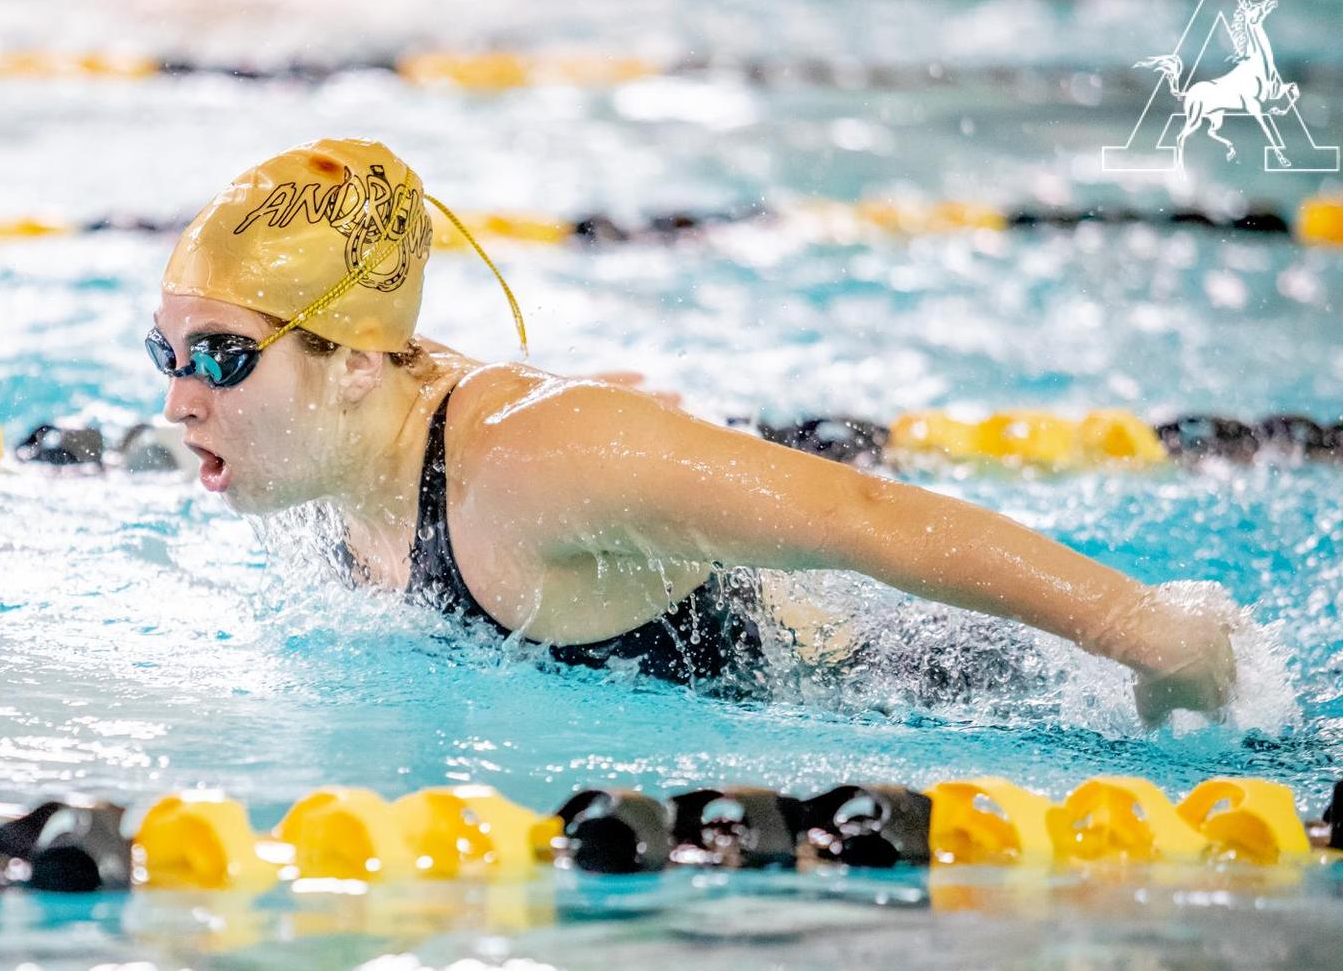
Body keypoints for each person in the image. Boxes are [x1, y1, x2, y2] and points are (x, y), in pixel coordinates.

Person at [148, 138, 1238, 722]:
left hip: (928, 686)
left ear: (350, 365)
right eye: (169, 353)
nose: (179, 402)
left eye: (223, 357)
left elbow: (863, 512)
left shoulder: (530, 462)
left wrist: (1141, 627)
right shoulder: (346, 452)